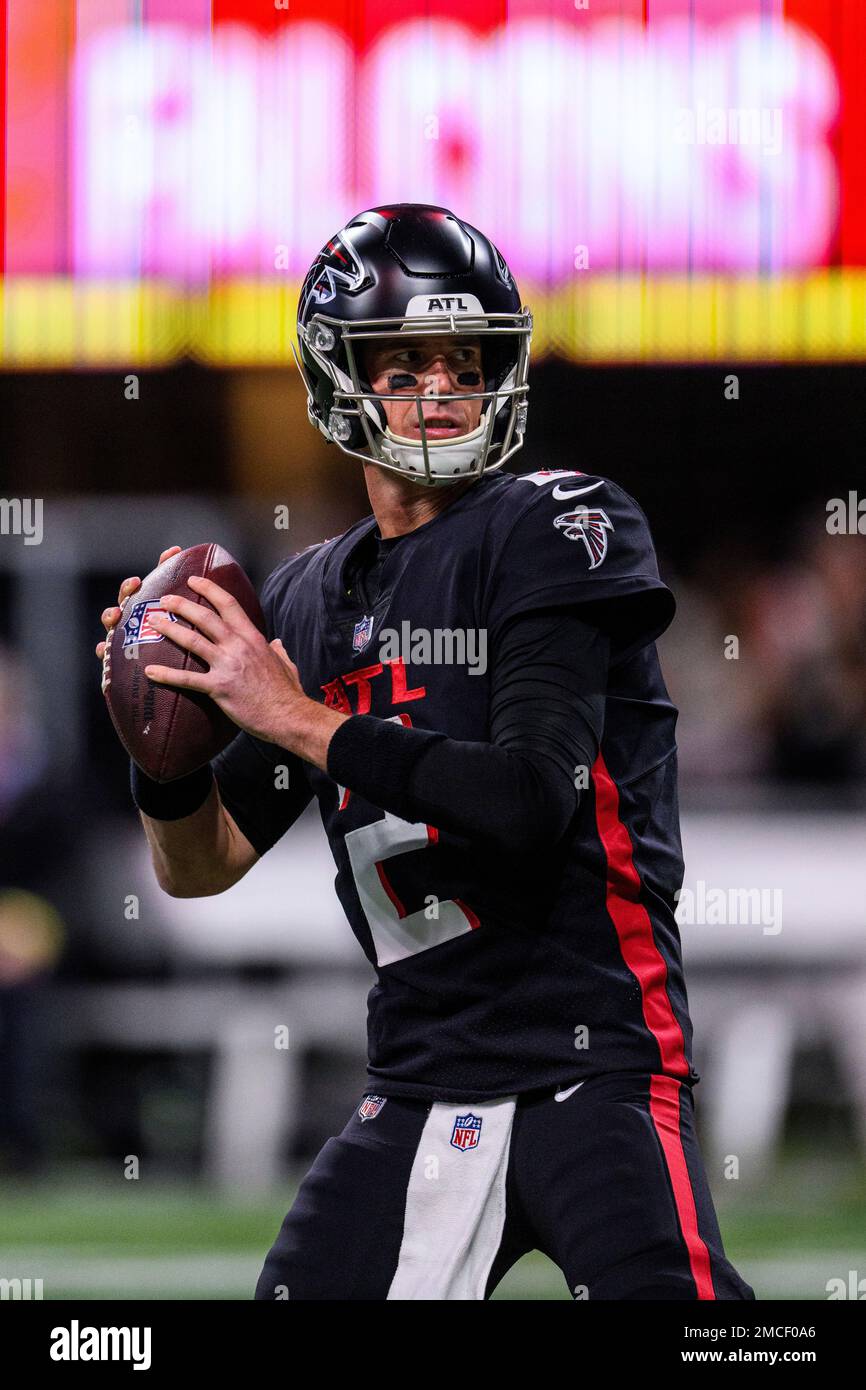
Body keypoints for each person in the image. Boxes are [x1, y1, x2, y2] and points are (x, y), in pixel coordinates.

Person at [96, 204, 754, 1301]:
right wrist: (160, 740)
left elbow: (531, 794)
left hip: (591, 1061)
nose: (442, 388)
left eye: (465, 359)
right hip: (417, 1079)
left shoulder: (557, 523)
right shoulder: (305, 597)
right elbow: (199, 864)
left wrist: (292, 713)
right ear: (337, 376)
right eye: (405, 363)